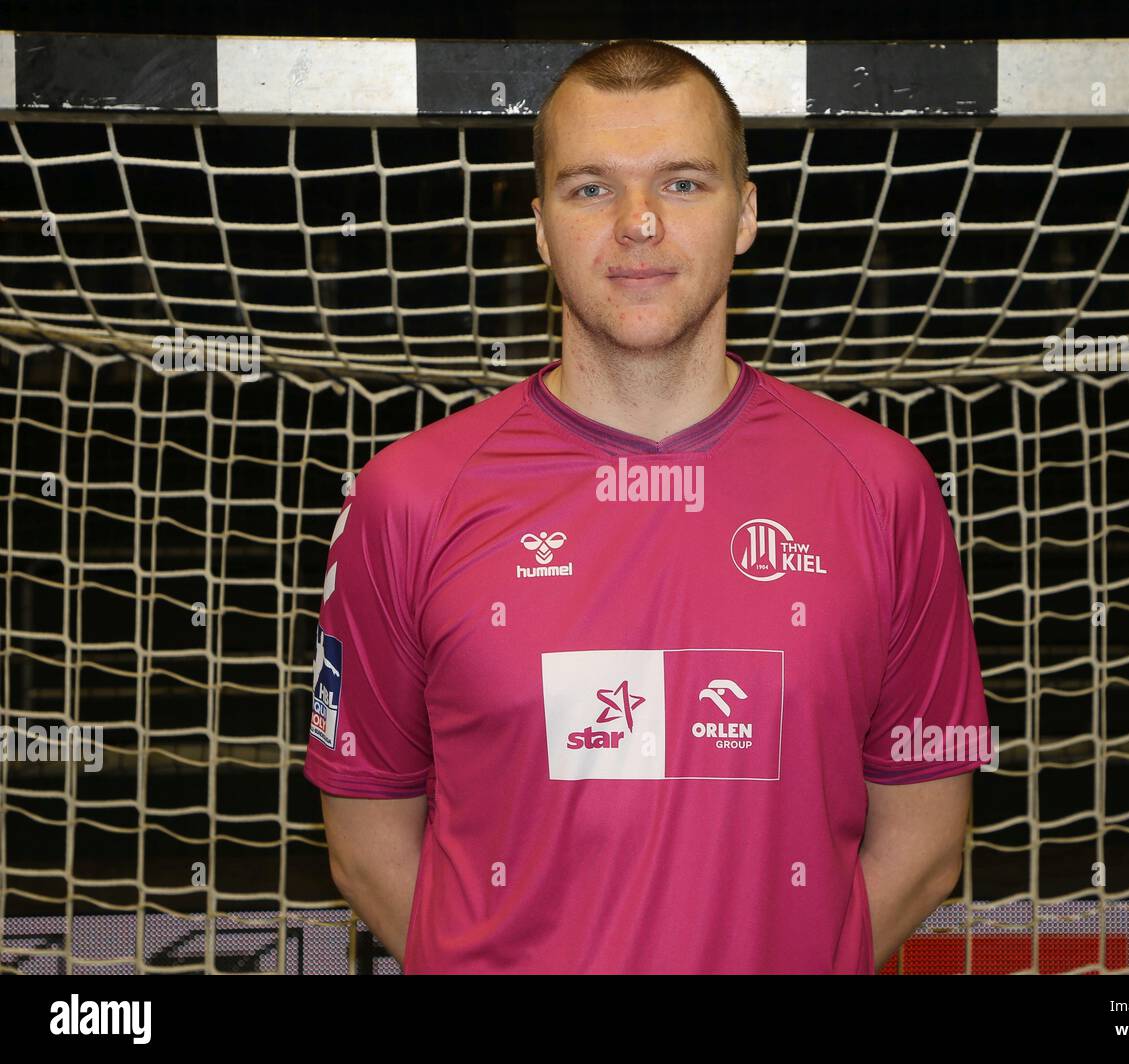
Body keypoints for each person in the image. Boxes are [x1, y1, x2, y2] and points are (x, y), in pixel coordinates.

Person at [304, 38, 991, 974]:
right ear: (541, 226)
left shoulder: (884, 488)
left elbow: (923, 845)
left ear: (745, 214)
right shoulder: (409, 497)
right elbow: (366, 843)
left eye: (682, 184)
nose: (637, 224)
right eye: (591, 188)